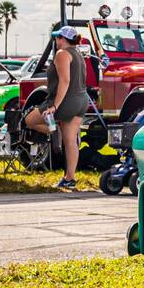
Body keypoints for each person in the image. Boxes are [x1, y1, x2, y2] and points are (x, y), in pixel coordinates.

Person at [24, 25, 89, 191]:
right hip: (81, 101)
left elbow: (65, 81)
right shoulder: (79, 55)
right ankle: (70, 178)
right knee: (70, 141)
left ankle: (54, 131)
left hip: (64, 101)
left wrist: (54, 106)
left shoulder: (62, 54)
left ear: (63, 39)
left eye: (57, 37)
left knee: (29, 120)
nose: (55, 40)